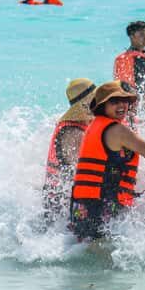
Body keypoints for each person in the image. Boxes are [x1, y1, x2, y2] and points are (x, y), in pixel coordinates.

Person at [69, 81, 145, 241]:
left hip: (81, 204)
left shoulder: (94, 125)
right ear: (102, 105)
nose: (121, 105)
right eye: (114, 101)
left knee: (85, 249)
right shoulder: (117, 130)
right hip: (102, 204)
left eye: (125, 100)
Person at [43, 79, 95, 225]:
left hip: (59, 197)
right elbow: (81, 171)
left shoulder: (80, 125)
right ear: (85, 105)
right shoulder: (73, 133)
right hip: (60, 203)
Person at [114, 20, 145, 91]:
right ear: (131, 37)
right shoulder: (138, 58)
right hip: (135, 96)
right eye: (141, 35)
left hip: (129, 94)